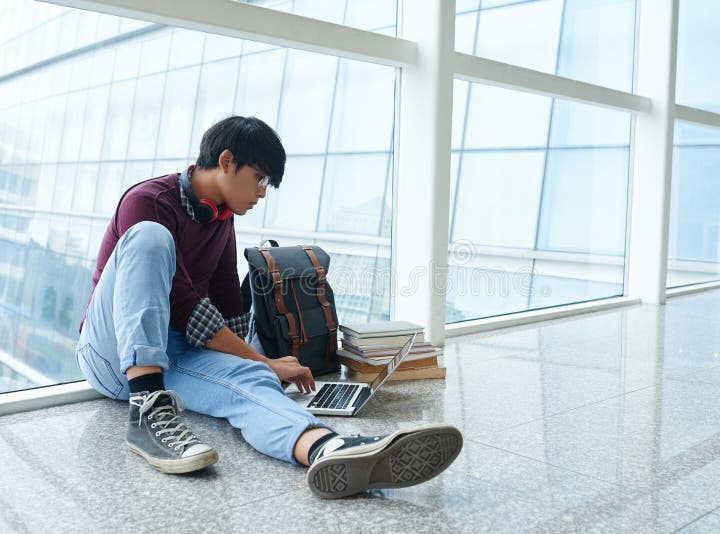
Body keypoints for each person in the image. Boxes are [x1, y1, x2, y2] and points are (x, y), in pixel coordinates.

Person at [74, 115, 462, 499]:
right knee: (150, 238)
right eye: (259, 179)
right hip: (112, 354)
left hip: (173, 353)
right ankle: (148, 411)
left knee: (249, 382)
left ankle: (329, 451)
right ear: (226, 161)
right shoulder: (148, 201)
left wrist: (255, 364)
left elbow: (226, 306)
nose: (262, 193)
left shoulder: (222, 219)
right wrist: (263, 361)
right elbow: (185, 305)